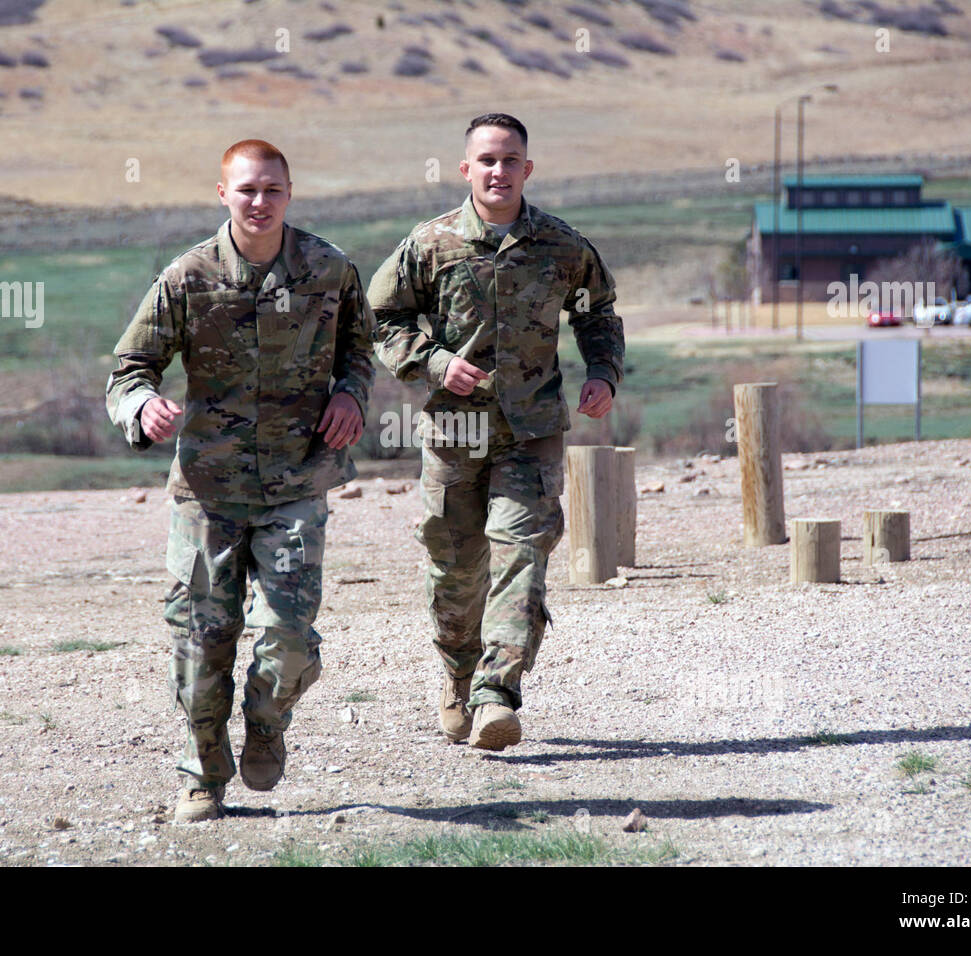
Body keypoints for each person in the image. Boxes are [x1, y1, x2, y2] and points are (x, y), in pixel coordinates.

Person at [106, 140, 374, 822]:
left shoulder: (328, 269)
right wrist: (142, 405)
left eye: (272, 191)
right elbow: (131, 365)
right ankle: (203, 772)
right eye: (247, 190)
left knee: (287, 636)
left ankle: (266, 722)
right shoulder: (188, 276)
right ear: (223, 193)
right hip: (208, 491)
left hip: (294, 484)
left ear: (291, 193)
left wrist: (350, 395)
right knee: (200, 638)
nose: (260, 203)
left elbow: (361, 350)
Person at [368, 113, 624, 752]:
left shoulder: (562, 247)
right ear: (466, 169)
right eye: (486, 160)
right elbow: (381, 320)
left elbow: (600, 313)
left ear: (527, 169)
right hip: (456, 432)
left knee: (520, 554)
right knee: (456, 571)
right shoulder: (431, 245)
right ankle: (458, 677)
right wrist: (433, 362)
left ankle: (496, 695)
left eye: (510, 160)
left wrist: (604, 374)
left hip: (532, 429)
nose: (498, 171)